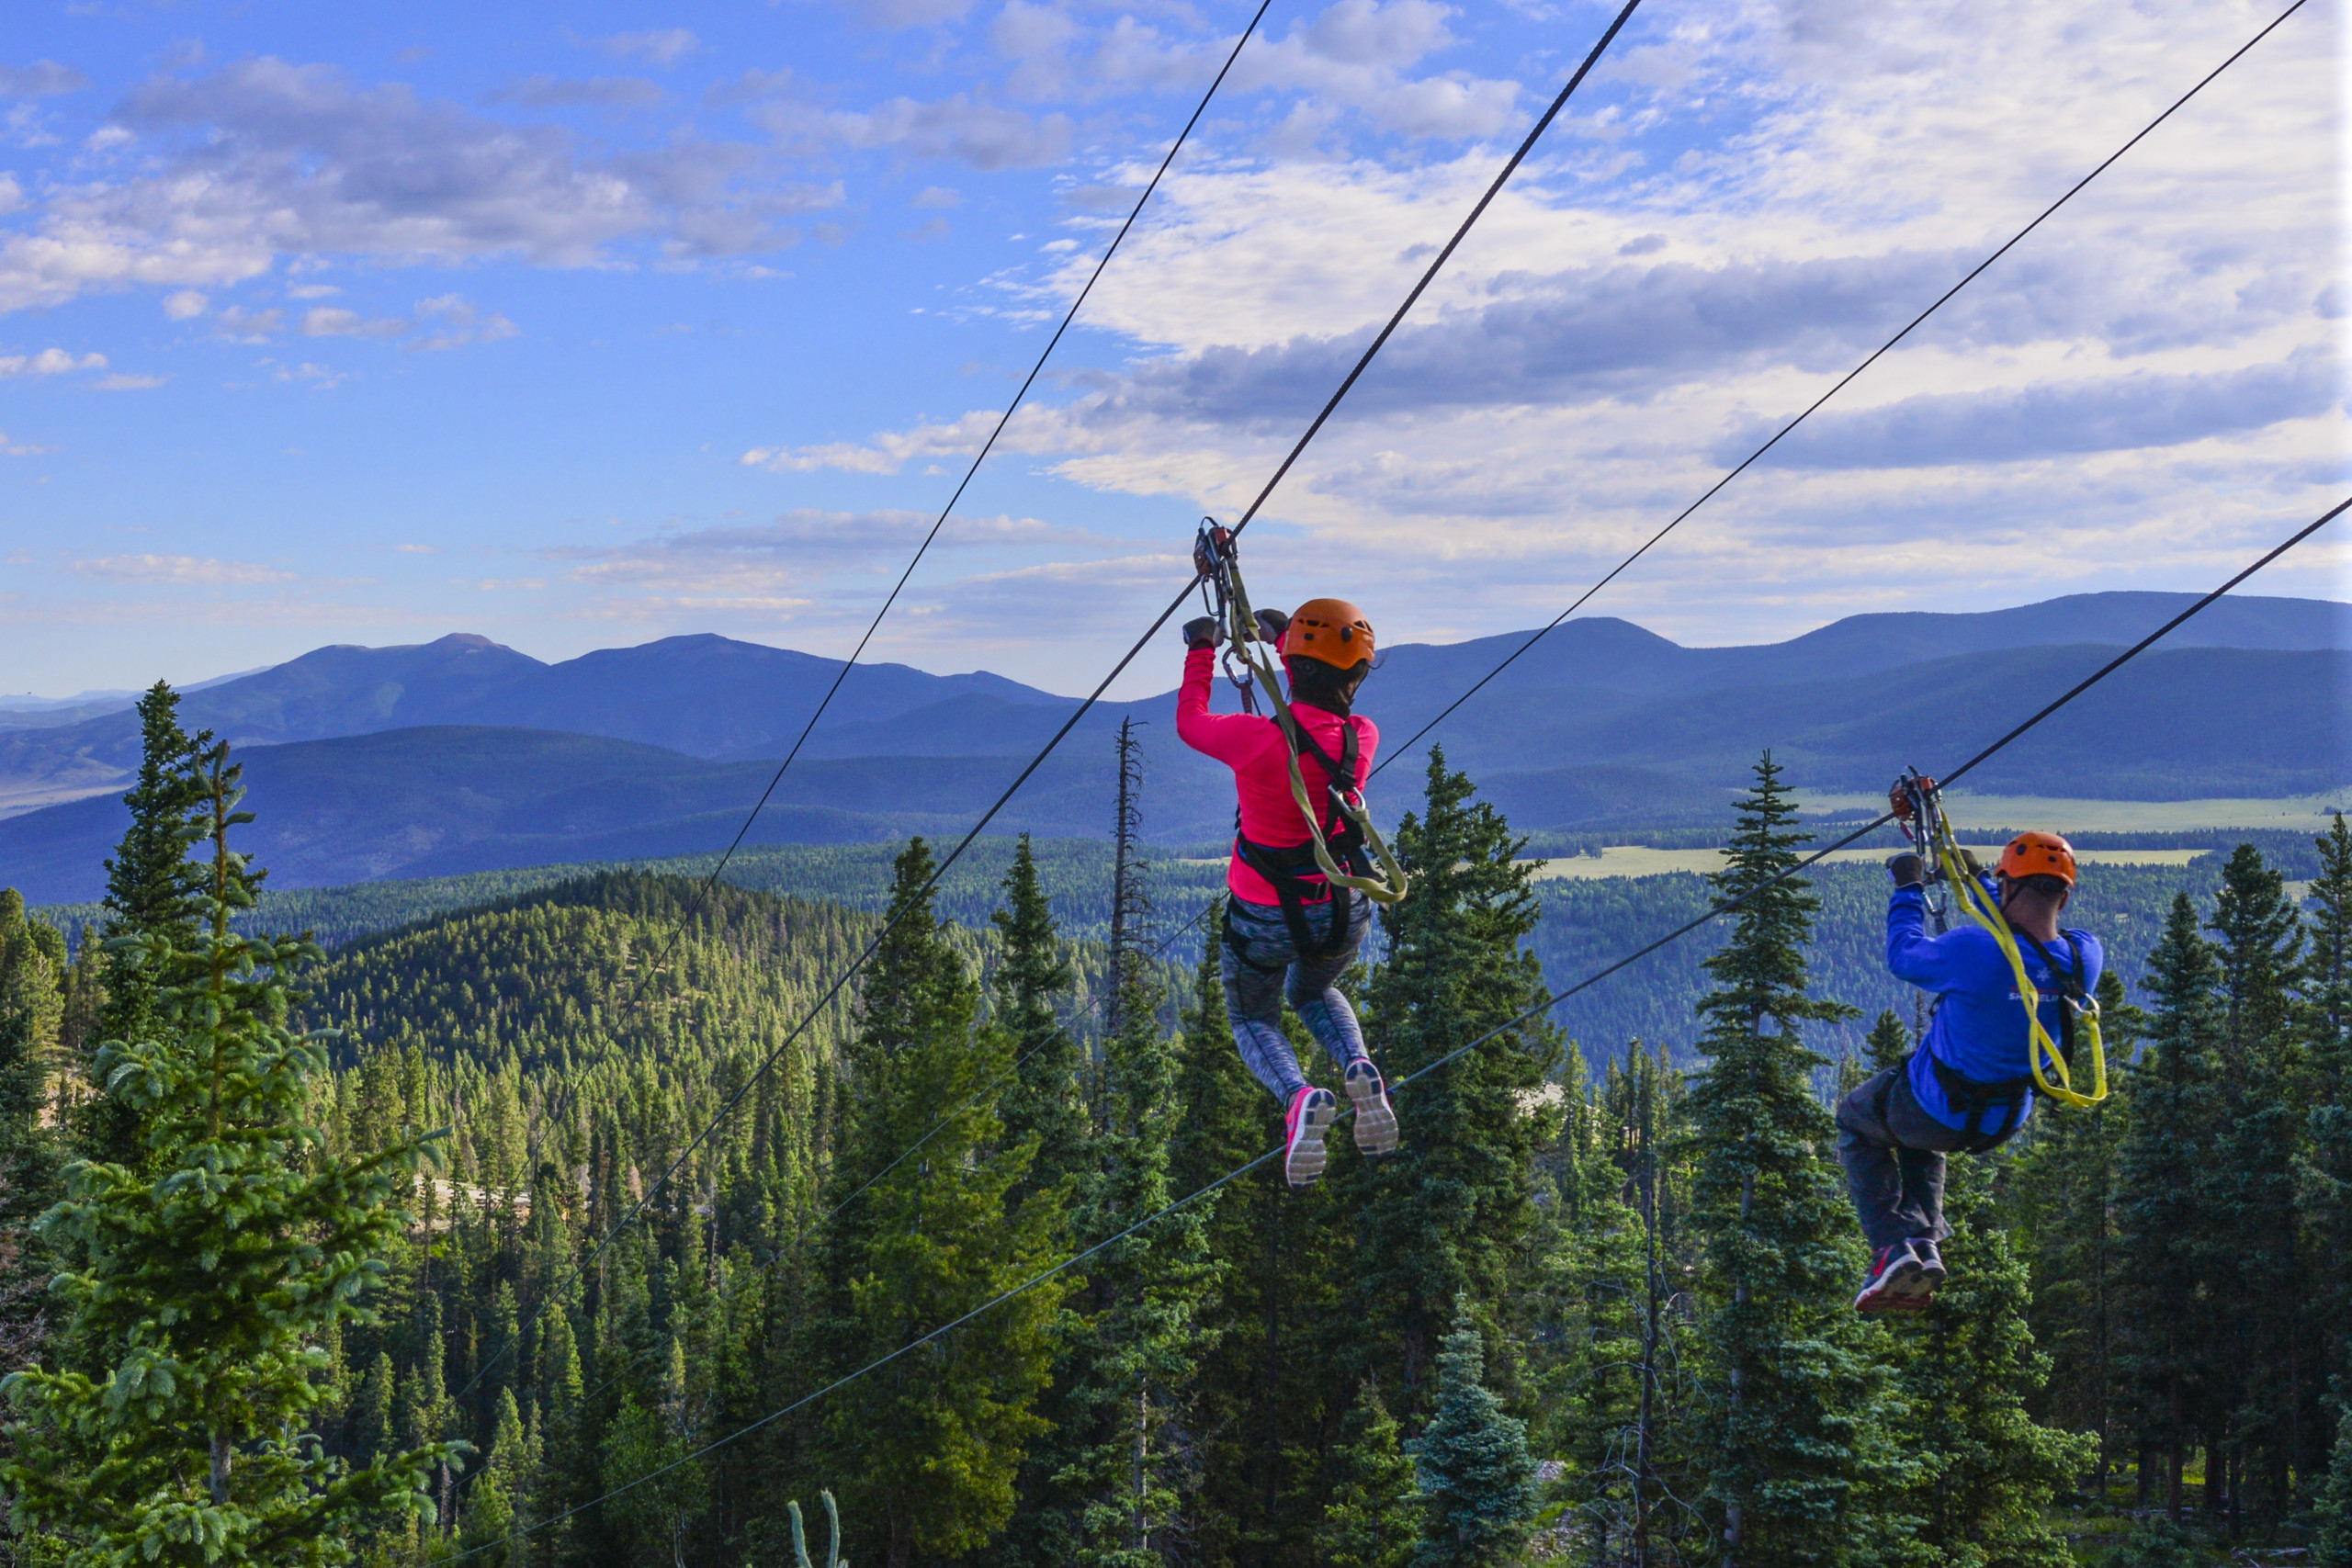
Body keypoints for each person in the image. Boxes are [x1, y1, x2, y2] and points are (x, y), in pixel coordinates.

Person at [1177, 598, 1398, 1190]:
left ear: (1294, 664)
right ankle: (1357, 1062)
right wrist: (1281, 640)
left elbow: (1190, 721)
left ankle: (1299, 1096)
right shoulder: (1362, 735)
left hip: (1264, 912)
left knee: (1252, 1014)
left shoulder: (1253, 739)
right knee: (1316, 989)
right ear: (1359, 675)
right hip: (1343, 904)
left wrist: (1201, 648)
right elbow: (1315, 691)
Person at [1838, 829, 2103, 1312]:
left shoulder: (1971, 951)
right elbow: (2024, 939)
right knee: (1921, 1134)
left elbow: (1904, 955)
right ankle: (1925, 1245)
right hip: (2002, 1120)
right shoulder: (2084, 957)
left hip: (1940, 1108)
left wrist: (1907, 890)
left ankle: (1889, 1248)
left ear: (2008, 888)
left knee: (1857, 1118)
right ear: (2065, 896)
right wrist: (1980, 879)